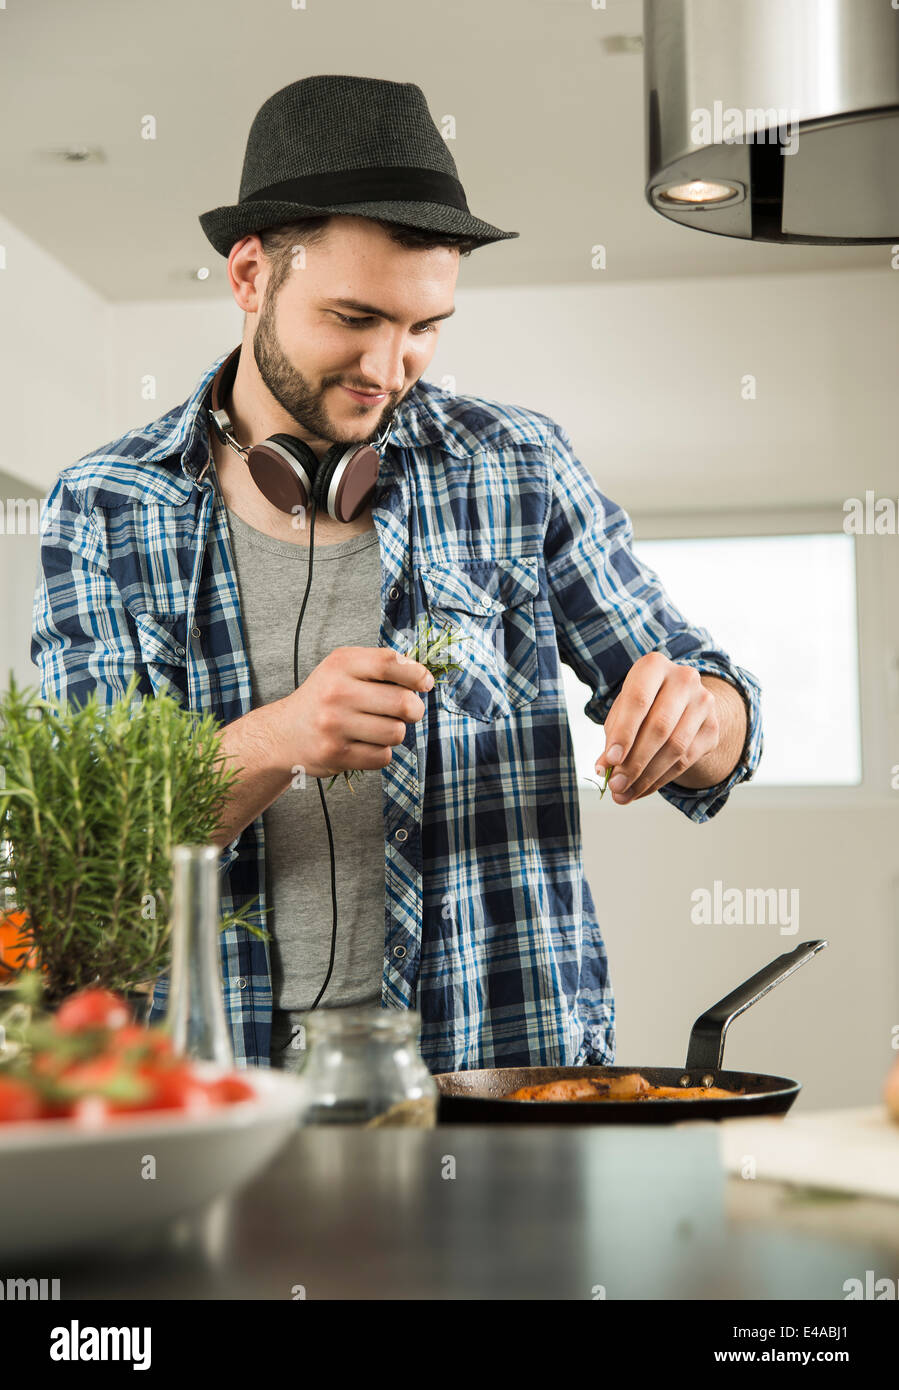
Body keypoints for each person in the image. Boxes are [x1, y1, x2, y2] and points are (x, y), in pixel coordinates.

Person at [32, 75, 763, 1073]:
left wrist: (698, 714)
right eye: (353, 317)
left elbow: (715, 712)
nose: (389, 364)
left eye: (423, 326)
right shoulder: (104, 503)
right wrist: (282, 736)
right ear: (250, 275)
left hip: (502, 1070)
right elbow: (90, 843)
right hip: (216, 1083)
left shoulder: (519, 462)